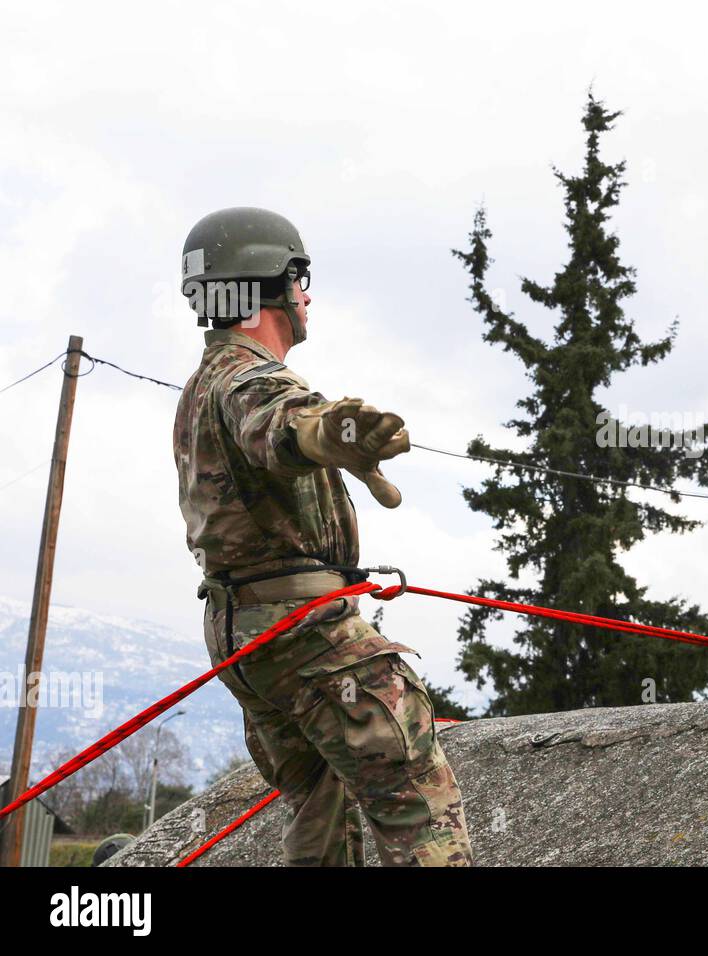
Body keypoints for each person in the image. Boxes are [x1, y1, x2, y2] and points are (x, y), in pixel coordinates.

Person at [173, 207, 472, 865]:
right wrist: (331, 430)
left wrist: (329, 436)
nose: (308, 296)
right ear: (271, 283)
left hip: (247, 638)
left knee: (322, 804)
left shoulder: (202, 384)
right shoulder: (248, 375)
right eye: (301, 279)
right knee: (423, 811)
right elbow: (284, 424)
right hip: (309, 634)